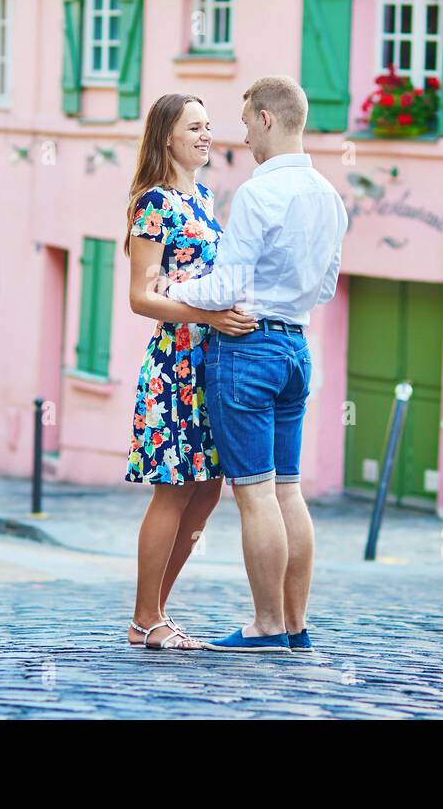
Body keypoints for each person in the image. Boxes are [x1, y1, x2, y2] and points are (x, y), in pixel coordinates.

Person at [163, 76, 348, 653]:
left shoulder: (257, 193)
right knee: (289, 491)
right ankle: (295, 625)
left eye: (245, 123)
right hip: (296, 347)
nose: (242, 136)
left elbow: (231, 285)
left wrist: (178, 284)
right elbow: (325, 288)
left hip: (247, 350)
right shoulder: (329, 196)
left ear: (268, 118)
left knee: (255, 493)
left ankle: (266, 624)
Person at [122, 92, 258, 650]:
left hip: (211, 360)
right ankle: (144, 618)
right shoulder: (154, 203)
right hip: (176, 363)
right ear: (167, 137)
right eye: (194, 127)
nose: (207, 135)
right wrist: (208, 315)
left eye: (209, 126)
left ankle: (156, 611)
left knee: (208, 488)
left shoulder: (201, 197)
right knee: (174, 490)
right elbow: (140, 296)